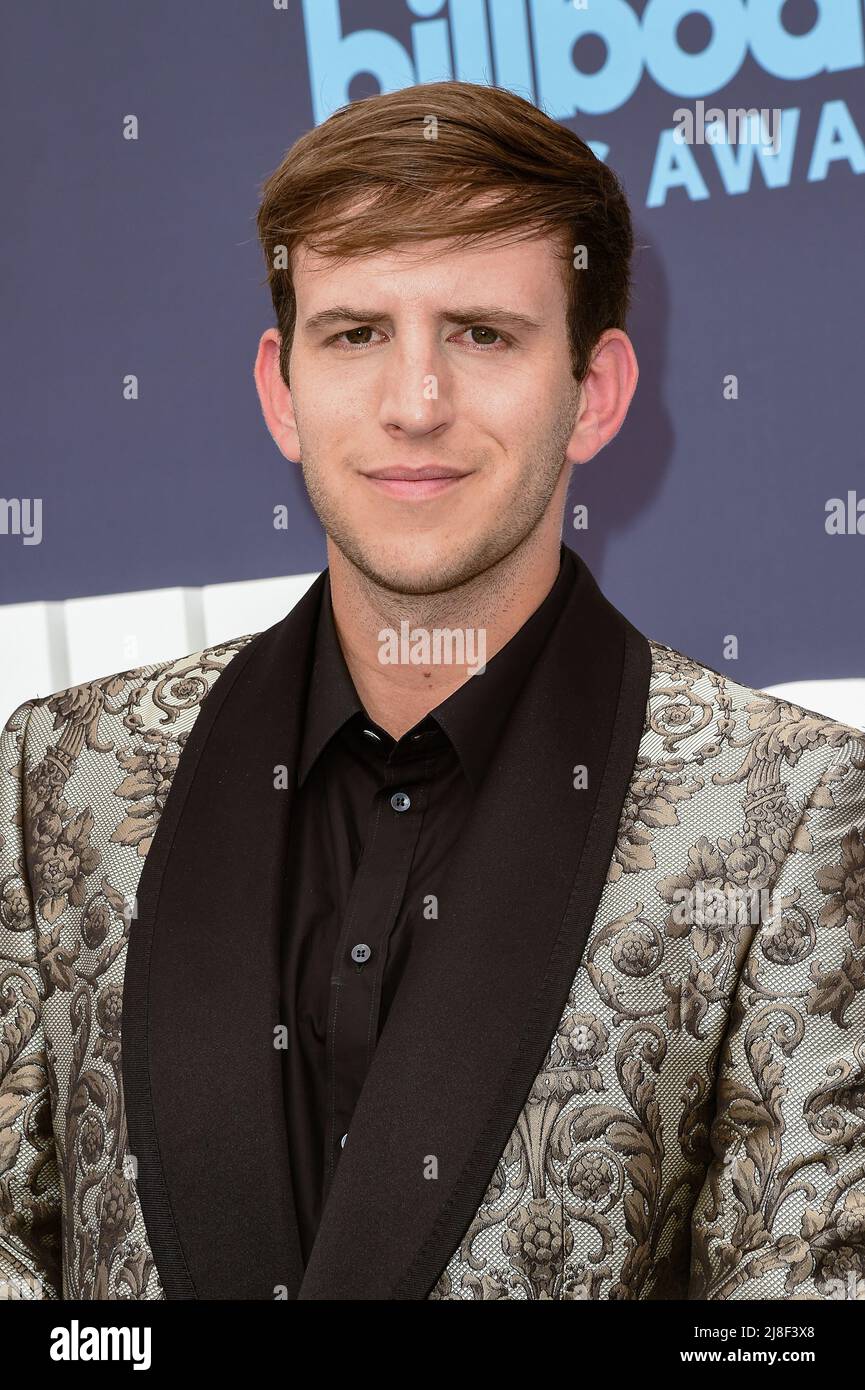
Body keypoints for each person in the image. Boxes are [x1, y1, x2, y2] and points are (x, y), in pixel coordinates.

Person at [2, 80, 863, 1303]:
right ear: (279, 389)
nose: (415, 404)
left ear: (597, 390)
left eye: (482, 334)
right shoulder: (61, 771)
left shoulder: (792, 808)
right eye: (355, 334)